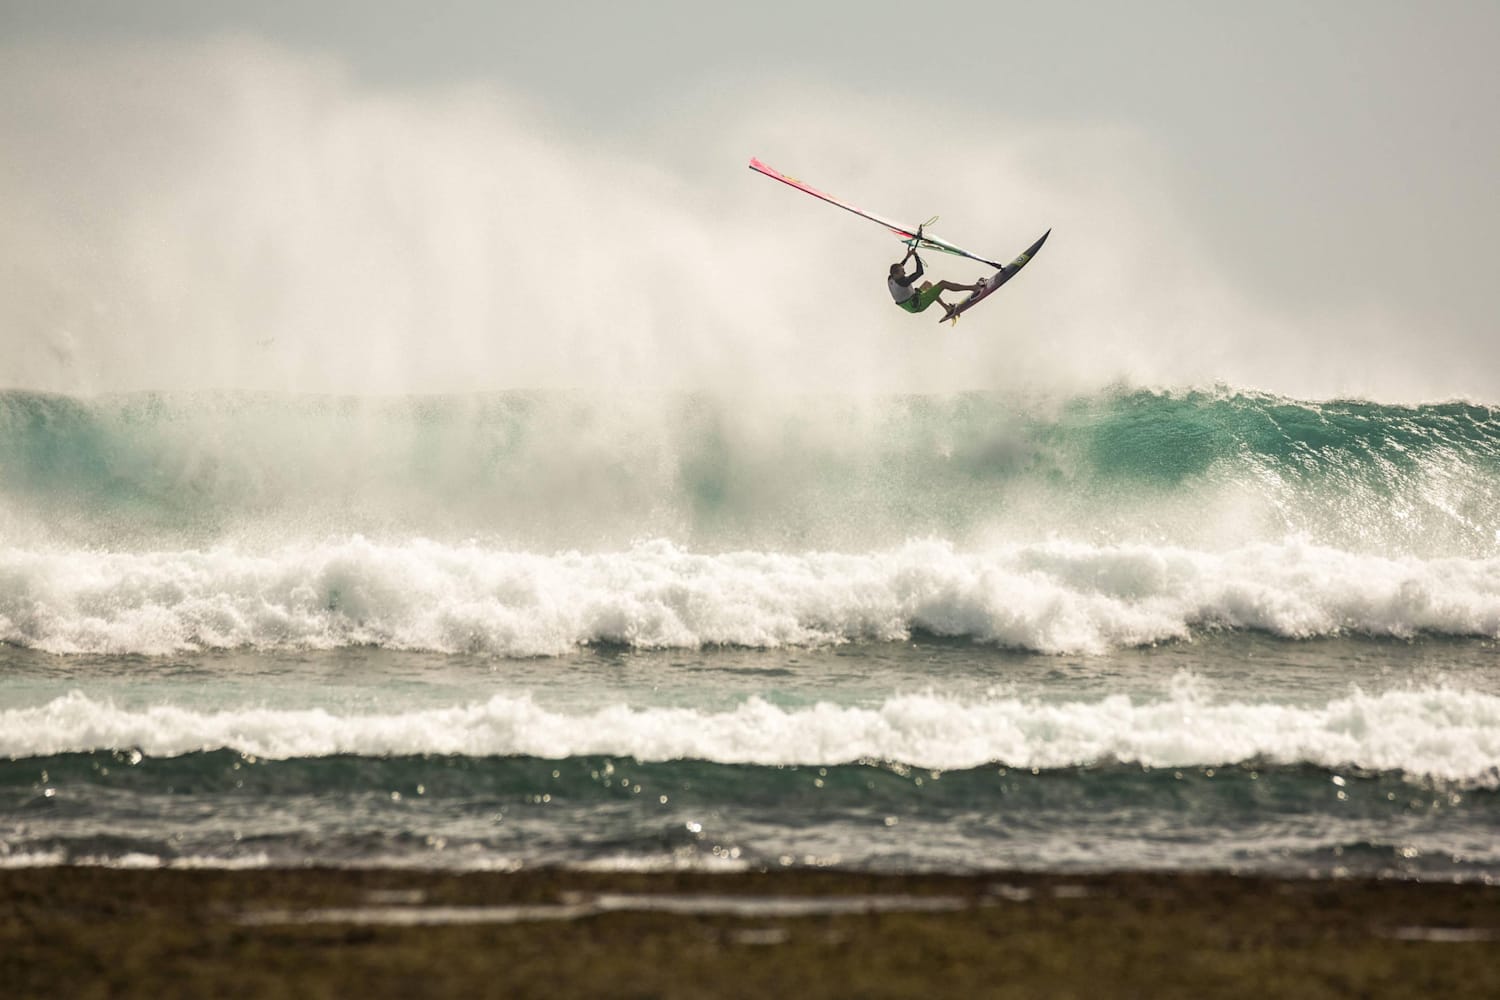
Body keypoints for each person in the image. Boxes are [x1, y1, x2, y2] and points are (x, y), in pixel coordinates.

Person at [888, 244, 981, 320]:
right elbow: (920, 272)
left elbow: (899, 266)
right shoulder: (904, 282)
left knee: (927, 284)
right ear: (896, 274)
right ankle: (974, 288)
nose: (905, 272)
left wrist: (908, 256)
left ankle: (947, 308)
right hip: (917, 304)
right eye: (902, 272)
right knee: (943, 284)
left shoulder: (891, 278)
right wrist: (916, 255)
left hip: (910, 302)